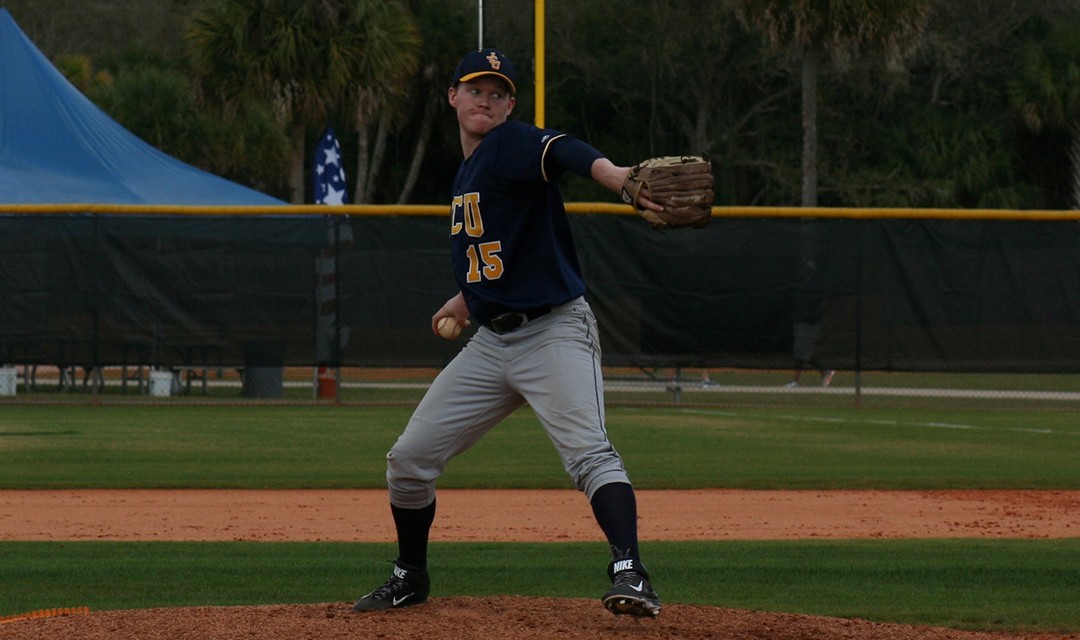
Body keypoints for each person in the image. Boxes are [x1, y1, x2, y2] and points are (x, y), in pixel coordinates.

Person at [351, 48, 662, 618]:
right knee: (409, 459)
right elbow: (503, 254)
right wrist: (467, 300)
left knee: (589, 455)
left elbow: (561, 149)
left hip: (554, 334)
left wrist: (615, 176)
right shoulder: (470, 171)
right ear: (453, 97)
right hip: (493, 341)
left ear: (510, 105)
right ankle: (409, 575)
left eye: (497, 92)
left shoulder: (510, 142)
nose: (485, 100)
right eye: (475, 89)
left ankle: (631, 572)